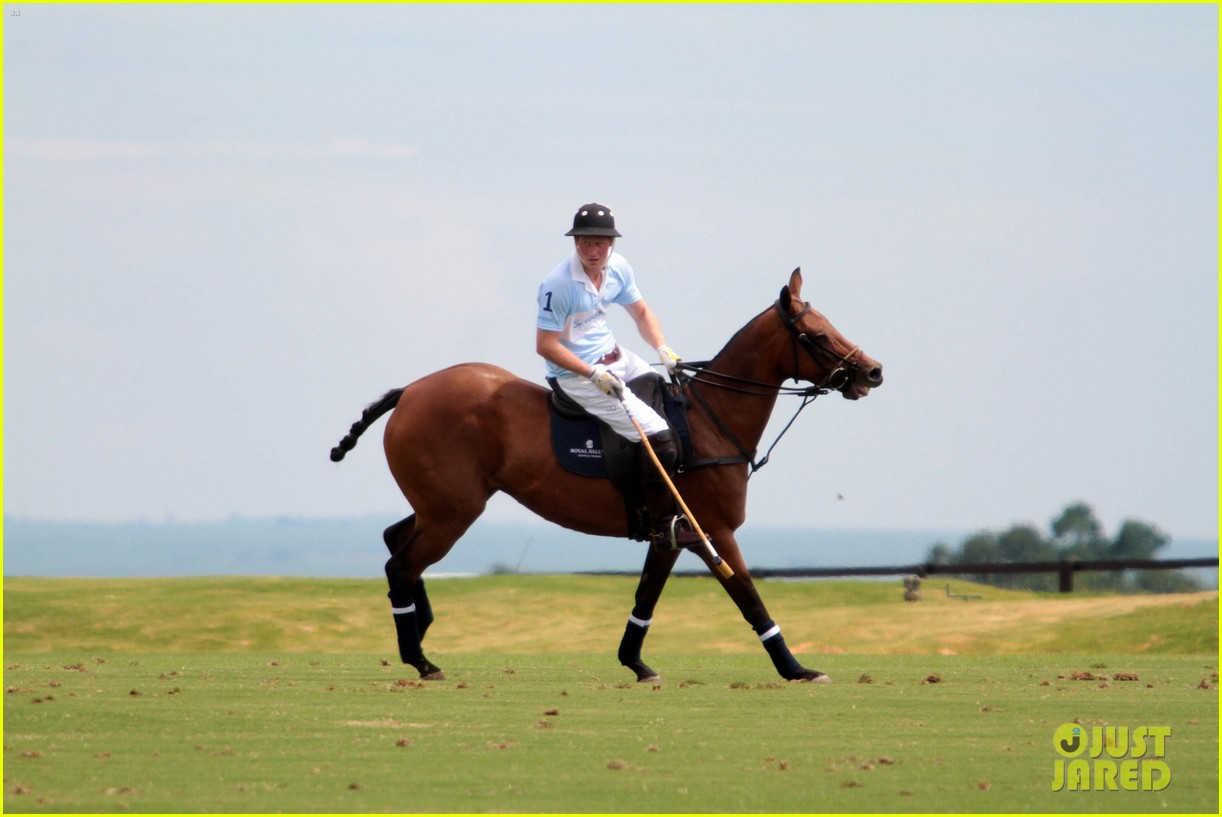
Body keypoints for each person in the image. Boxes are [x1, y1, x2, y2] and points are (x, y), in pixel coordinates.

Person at [536, 202, 699, 549]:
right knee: (660, 436)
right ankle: (661, 524)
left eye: (600, 243)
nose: (593, 251)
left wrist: (662, 349)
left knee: (675, 399)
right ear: (576, 242)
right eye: (585, 242)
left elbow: (641, 313)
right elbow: (546, 346)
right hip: (576, 375)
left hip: (618, 358)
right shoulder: (558, 285)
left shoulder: (619, 268)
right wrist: (592, 373)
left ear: (612, 244)